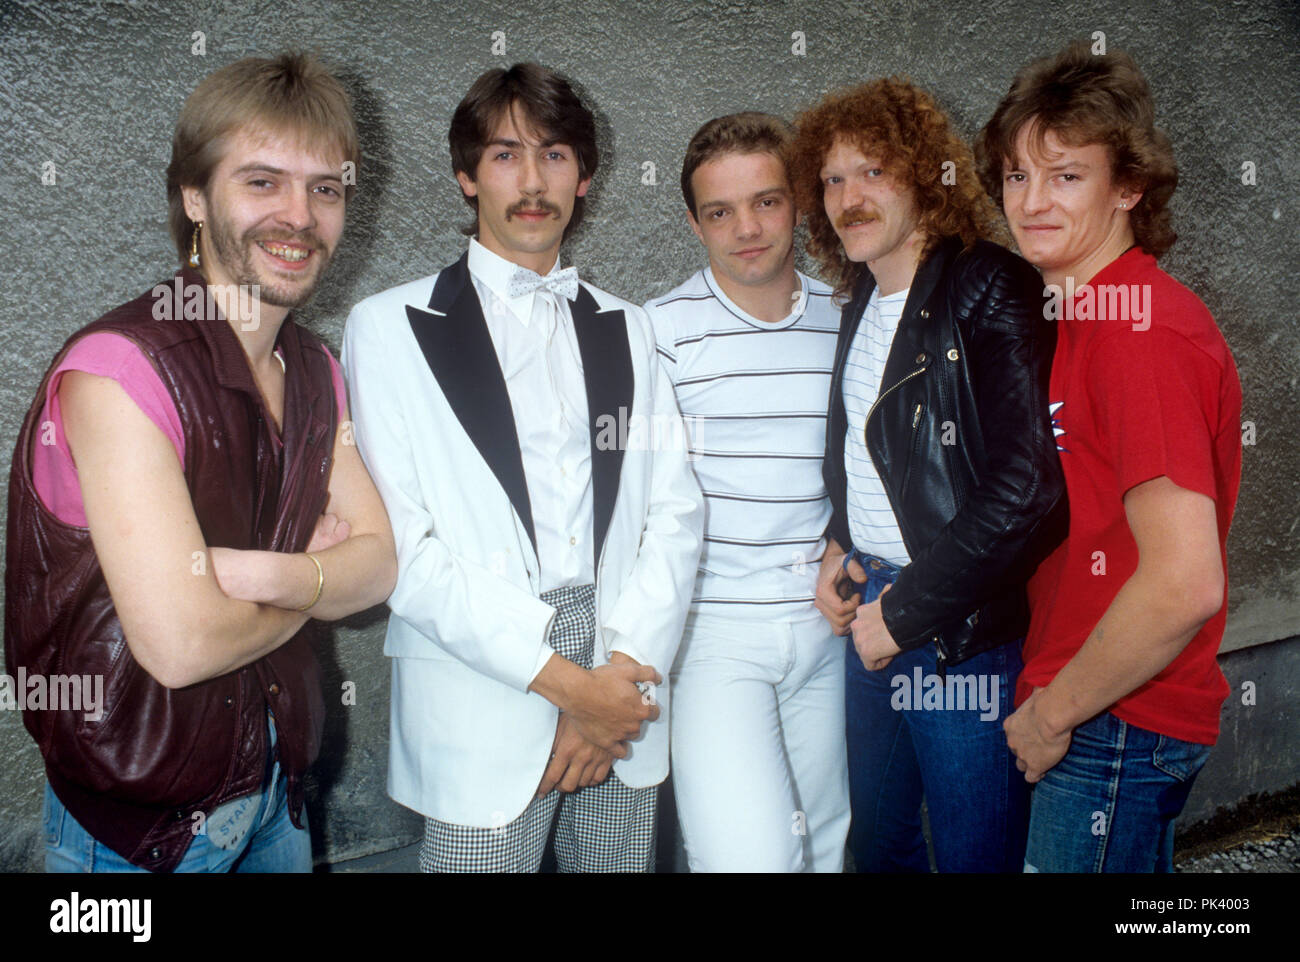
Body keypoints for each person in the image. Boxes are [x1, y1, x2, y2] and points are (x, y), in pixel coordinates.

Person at [4, 52, 397, 873]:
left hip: (276, 797)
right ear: (193, 197)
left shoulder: (319, 372)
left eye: (325, 187)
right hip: (139, 835)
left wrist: (258, 577)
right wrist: (314, 581)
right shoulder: (120, 370)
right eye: (262, 182)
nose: (299, 215)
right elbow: (180, 647)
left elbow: (380, 566)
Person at [342, 62, 703, 873]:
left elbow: (675, 513)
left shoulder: (629, 326)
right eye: (505, 156)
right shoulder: (386, 327)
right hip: (484, 683)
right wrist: (566, 687)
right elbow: (405, 547)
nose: (532, 181)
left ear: (585, 177)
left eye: (555, 155)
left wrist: (614, 678)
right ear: (467, 176)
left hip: (623, 674)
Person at [975, 41, 1242, 873]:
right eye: (1017, 176)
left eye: (1066, 175)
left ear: (1129, 186)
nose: (1032, 201)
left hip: (1114, 721)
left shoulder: (1139, 333)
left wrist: (1052, 714)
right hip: (1104, 710)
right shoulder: (1086, 318)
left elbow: (1183, 583)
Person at [788, 77, 1065, 872]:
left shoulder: (988, 286)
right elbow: (869, 454)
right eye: (832, 180)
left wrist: (905, 612)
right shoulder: (860, 302)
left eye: (872, 171)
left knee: (976, 854)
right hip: (868, 608)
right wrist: (841, 544)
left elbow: (1029, 489)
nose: (849, 197)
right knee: (876, 844)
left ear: (922, 175)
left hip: (959, 637)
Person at [644, 113, 849, 872]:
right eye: (720, 212)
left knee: (823, 849)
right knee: (750, 859)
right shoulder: (656, 332)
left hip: (828, 631)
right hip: (712, 640)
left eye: (766, 201)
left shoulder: (846, 316)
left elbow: (874, 470)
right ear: (694, 223)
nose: (747, 228)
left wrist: (845, 548)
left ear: (798, 200)